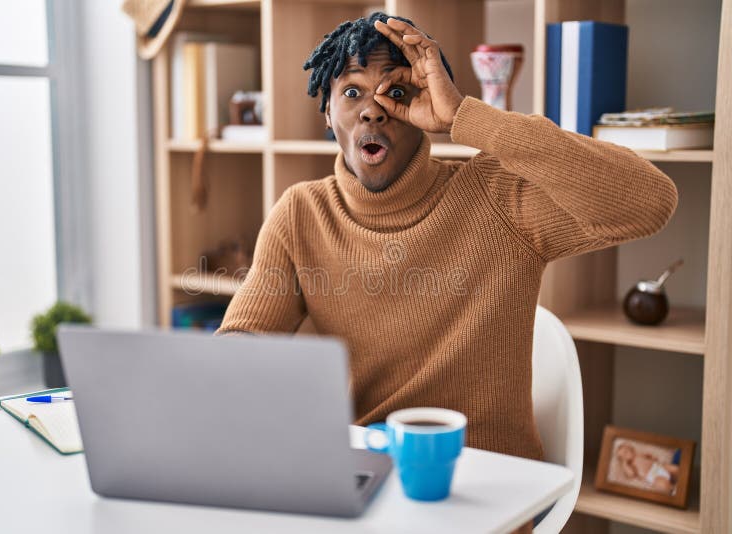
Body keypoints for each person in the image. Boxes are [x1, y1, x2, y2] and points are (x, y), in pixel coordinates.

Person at [217, 12, 677, 466]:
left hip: (491, 483)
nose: (373, 108)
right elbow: (239, 349)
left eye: (396, 93)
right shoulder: (301, 213)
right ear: (327, 110)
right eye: (351, 91)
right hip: (370, 477)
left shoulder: (497, 196)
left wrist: (464, 116)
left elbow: (650, 201)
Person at [614, 442, 679, 495]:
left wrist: (652, 457)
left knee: (675, 469)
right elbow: (631, 474)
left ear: (631, 449)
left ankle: (680, 478)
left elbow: (649, 456)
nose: (625, 455)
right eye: (622, 457)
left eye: (626, 451)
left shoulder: (639, 454)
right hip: (653, 476)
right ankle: (673, 488)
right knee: (663, 485)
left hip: (658, 466)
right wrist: (624, 463)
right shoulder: (630, 465)